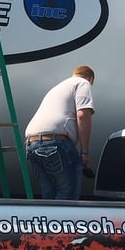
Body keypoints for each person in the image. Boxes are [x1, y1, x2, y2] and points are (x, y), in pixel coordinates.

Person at [24, 66, 95, 199]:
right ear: (90, 79)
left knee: (49, 193)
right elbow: (83, 115)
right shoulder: (83, 83)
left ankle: (48, 219)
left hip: (31, 143)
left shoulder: (58, 88)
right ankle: (63, 219)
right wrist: (84, 153)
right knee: (68, 191)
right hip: (55, 142)